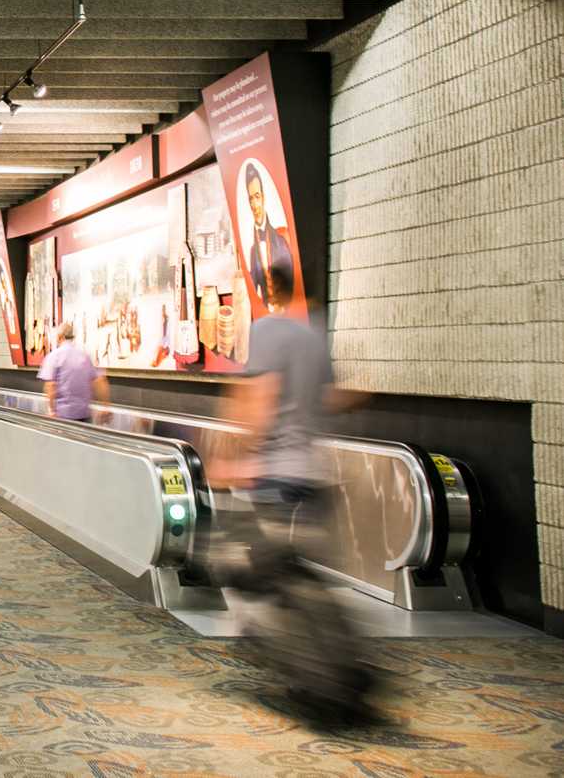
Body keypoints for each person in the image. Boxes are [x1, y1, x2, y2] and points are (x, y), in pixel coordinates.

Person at [206, 257, 374, 725]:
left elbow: (259, 402)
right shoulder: (313, 336)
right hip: (310, 477)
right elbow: (326, 400)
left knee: (260, 575)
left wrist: (235, 459)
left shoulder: (268, 331)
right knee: (298, 577)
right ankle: (344, 671)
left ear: (269, 288)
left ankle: (319, 683)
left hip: (274, 477)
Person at [243, 163, 295, 312]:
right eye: (250, 198)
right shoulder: (253, 251)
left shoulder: (282, 239)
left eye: (257, 197)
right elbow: (252, 293)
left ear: (263, 198)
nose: (254, 204)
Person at [36, 322, 108, 422]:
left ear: (59, 337)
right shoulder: (85, 356)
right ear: (72, 337)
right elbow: (100, 381)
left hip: (63, 416)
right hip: (84, 415)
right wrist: (105, 406)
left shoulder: (54, 356)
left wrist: (51, 410)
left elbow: (51, 385)